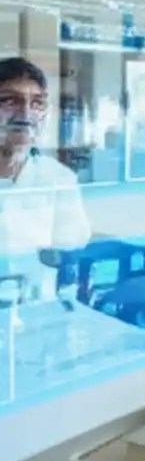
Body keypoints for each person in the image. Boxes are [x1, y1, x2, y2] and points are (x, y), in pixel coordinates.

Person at [0, 58, 92, 303]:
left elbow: (70, 253)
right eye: (10, 100)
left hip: (36, 314)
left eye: (37, 103)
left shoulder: (59, 179)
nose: (26, 113)